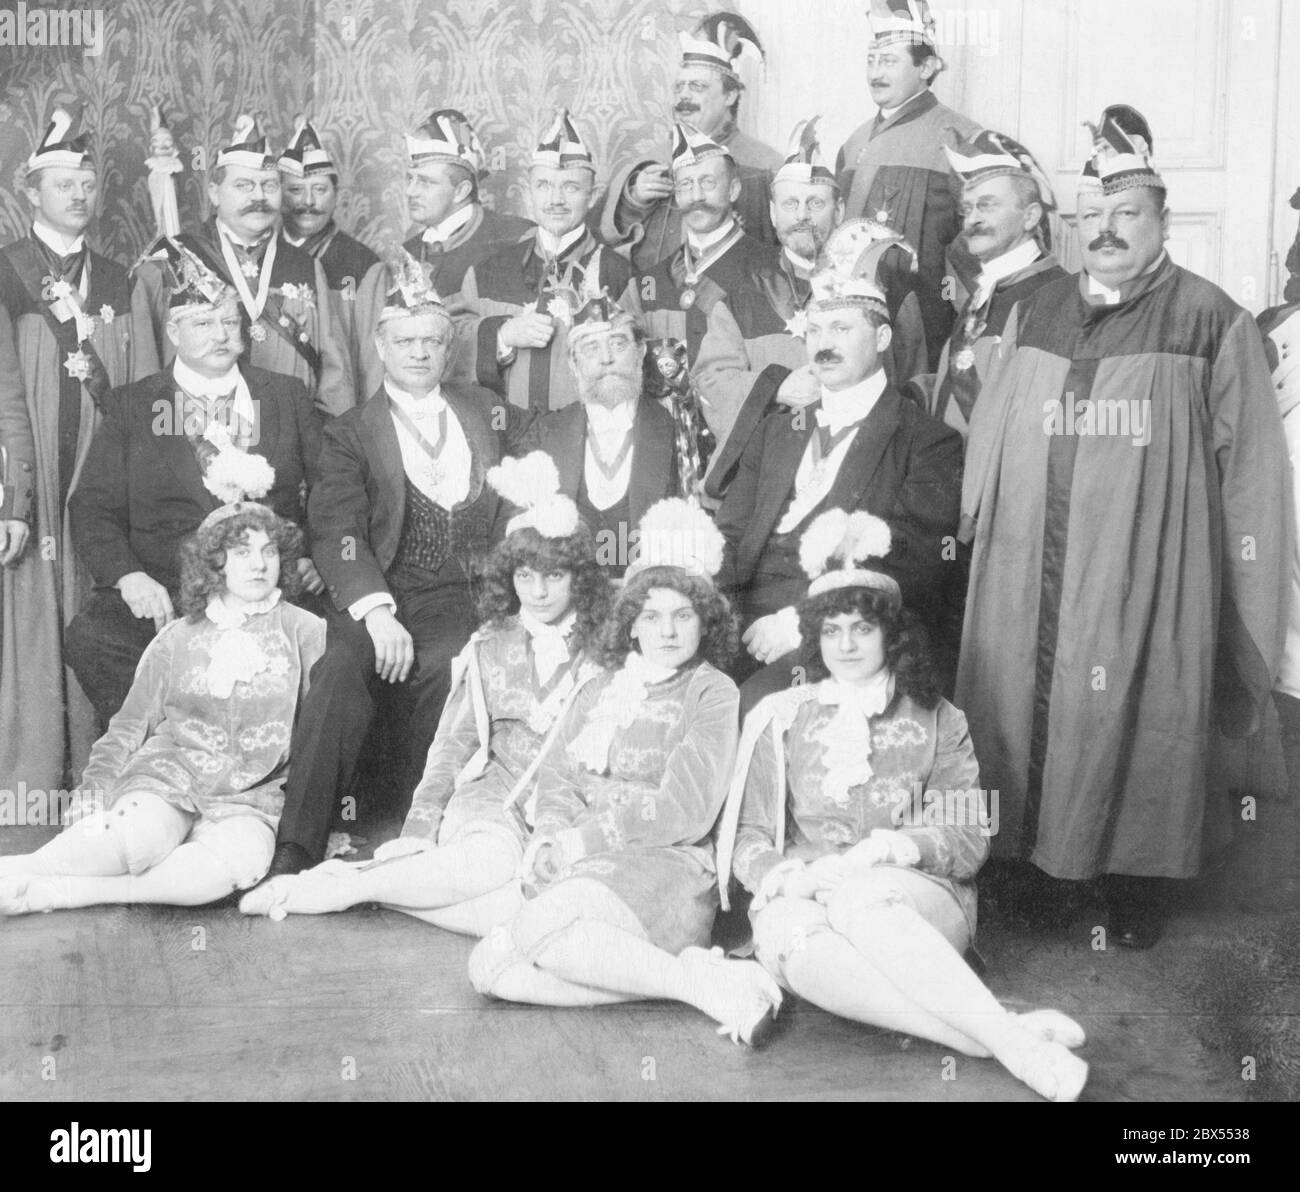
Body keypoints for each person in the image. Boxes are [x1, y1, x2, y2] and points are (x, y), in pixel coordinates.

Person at [958, 113, 1290, 948]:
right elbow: (990, 443)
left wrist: (1243, 596)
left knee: (1131, 714)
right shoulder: (1034, 313)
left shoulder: (1213, 321)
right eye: (1091, 217)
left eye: (1127, 216)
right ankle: (1025, 869)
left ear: (1162, 222)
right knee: (1017, 709)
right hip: (1025, 563)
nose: (1105, 232)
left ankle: (1130, 880)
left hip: (1143, 572)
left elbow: (1251, 476)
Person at [713, 509, 1089, 1101]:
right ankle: (995, 1034)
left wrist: (893, 846)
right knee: (789, 935)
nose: (846, 644)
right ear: (816, 639)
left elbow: (970, 835)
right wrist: (790, 874)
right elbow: (750, 838)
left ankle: (1013, 1050)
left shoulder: (939, 716)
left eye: (862, 629)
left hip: (913, 894)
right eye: (832, 631)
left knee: (863, 899)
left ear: (891, 634)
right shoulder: (779, 718)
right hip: (812, 887)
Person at [238, 451, 611, 926]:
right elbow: (452, 747)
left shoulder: (609, 653)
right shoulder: (490, 644)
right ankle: (334, 891)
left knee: (537, 901)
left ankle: (352, 887)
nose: (537, 592)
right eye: (524, 576)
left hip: (569, 812)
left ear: (580, 577)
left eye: (554, 576)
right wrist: (420, 826)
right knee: (489, 866)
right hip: (491, 801)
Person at [465, 497, 783, 1043]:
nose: (667, 631)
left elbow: (685, 808)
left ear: (704, 623)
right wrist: (547, 837)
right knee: (489, 972)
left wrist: (579, 843)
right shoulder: (600, 685)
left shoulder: (713, 690)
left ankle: (686, 980)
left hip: (667, 869)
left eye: (683, 615)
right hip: (584, 864)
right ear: (630, 625)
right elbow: (559, 779)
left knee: (522, 940)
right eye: (651, 616)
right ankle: (697, 984)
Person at [260, 254, 524, 878]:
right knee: (341, 670)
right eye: (405, 341)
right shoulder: (351, 431)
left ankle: (413, 831)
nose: (420, 353)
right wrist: (377, 613)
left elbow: (527, 484)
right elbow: (337, 529)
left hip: (467, 595)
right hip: (385, 589)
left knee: (453, 665)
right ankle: (298, 842)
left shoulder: (484, 408)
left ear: (448, 347)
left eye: (433, 341)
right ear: (381, 346)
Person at [0, 503, 326, 915]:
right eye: (242, 552)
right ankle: (19, 869)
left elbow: (324, 739)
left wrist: (319, 824)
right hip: (169, 780)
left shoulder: (307, 631)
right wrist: (92, 795)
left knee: (233, 869)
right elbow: (127, 729)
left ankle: (54, 893)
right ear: (216, 562)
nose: (259, 565)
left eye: (270, 551)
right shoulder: (177, 637)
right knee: (133, 838)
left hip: (253, 800)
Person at [65, 240, 324, 727]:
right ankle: (174, 748)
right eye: (203, 323)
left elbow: (331, 490)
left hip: (271, 584)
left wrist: (312, 553)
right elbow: (94, 507)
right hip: (169, 590)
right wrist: (129, 577)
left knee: (337, 653)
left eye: (229, 322)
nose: (220, 335)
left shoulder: (286, 396)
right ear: (173, 331)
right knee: (91, 636)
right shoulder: (133, 405)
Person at [0, 108, 160, 796]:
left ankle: (101, 778)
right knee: (32, 621)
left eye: (87, 184)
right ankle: (31, 781)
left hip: (102, 483)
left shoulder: (124, 279)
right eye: (62, 183)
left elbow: (150, 388)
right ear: (30, 192)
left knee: (99, 614)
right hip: (34, 472)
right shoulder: (7, 272)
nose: (78, 195)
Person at [714, 261, 960, 700]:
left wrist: (800, 621)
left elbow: (913, 564)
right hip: (745, 620)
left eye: (842, 329)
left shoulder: (927, 441)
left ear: (882, 338)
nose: (823, 345)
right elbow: (731, 535)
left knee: (751, 709)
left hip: (845, 630)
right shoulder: (775, 431)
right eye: (814, 331)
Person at [698, 117, 929, 499]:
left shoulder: (895, 290)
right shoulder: (740, 291)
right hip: (764, 477)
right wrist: (775, 388)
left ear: (839, 212)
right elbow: (711, 380)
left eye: (815, 203)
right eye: (791, 203)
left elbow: (917, 385)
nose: (802, 215)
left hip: (862, 475)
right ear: (773, 214)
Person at [134, 114, 354, 417]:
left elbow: (335, 376)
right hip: (193, 433)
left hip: (290, 437)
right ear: (214, 193)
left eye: (269, 186)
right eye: (244, 185)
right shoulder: (172, 259)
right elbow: (144, 368)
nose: (259, 197)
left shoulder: (306, 267)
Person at [452, 111, 638, 414]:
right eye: (544, 186)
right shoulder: (486, 272)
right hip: (504, 439)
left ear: (591, 196)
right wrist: (502, 335)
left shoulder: (618, 274)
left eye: (570, 187)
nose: (555, 200)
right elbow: (450, 349)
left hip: (585, 443)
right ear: (529, 193)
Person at [836, 0, 980, 367]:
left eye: (889, 61)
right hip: (853, 326)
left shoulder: (962, 138)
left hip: (928, 329)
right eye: (871, 60)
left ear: (927, 66)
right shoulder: (852, 144)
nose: (875, 73)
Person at [353, 109, 534, 395]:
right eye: (410, 179)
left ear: (461, 190)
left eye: (425, 182)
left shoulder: (518, 239)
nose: (411, 191)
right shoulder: (403, 257)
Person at [908, 129, 1066, 440]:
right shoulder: (982, 295)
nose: (973, 220)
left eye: (988, 205)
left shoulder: (1058, 297)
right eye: (968, 209)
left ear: (1031, 216)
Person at [594, 12, 781, 271]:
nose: (684, 97)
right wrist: (632, 201)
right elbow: (602, 247)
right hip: (653, 299)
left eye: (697, 87)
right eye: (679, 87)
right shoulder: (648, 162)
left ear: (730, 95)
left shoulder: (767, 165)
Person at [524, 290, 679, 576]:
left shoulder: (678, 430)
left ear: (641, 350)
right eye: (591, 348)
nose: (606, 359)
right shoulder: (545, 434)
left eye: (618, 344)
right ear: (573, 364)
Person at [636, 122, 780, 364]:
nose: (696, 197)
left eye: (708, 183)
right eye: (686, 185)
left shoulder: (772, 272)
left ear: (733, 190)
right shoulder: (650, 281)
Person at [278, 116, 380, 383]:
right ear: (278, 194)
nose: (308, 201)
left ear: (337, 195)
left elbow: (372, 361)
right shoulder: (262, 256)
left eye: (320, 190)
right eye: (296, 190)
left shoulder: (361, 265)